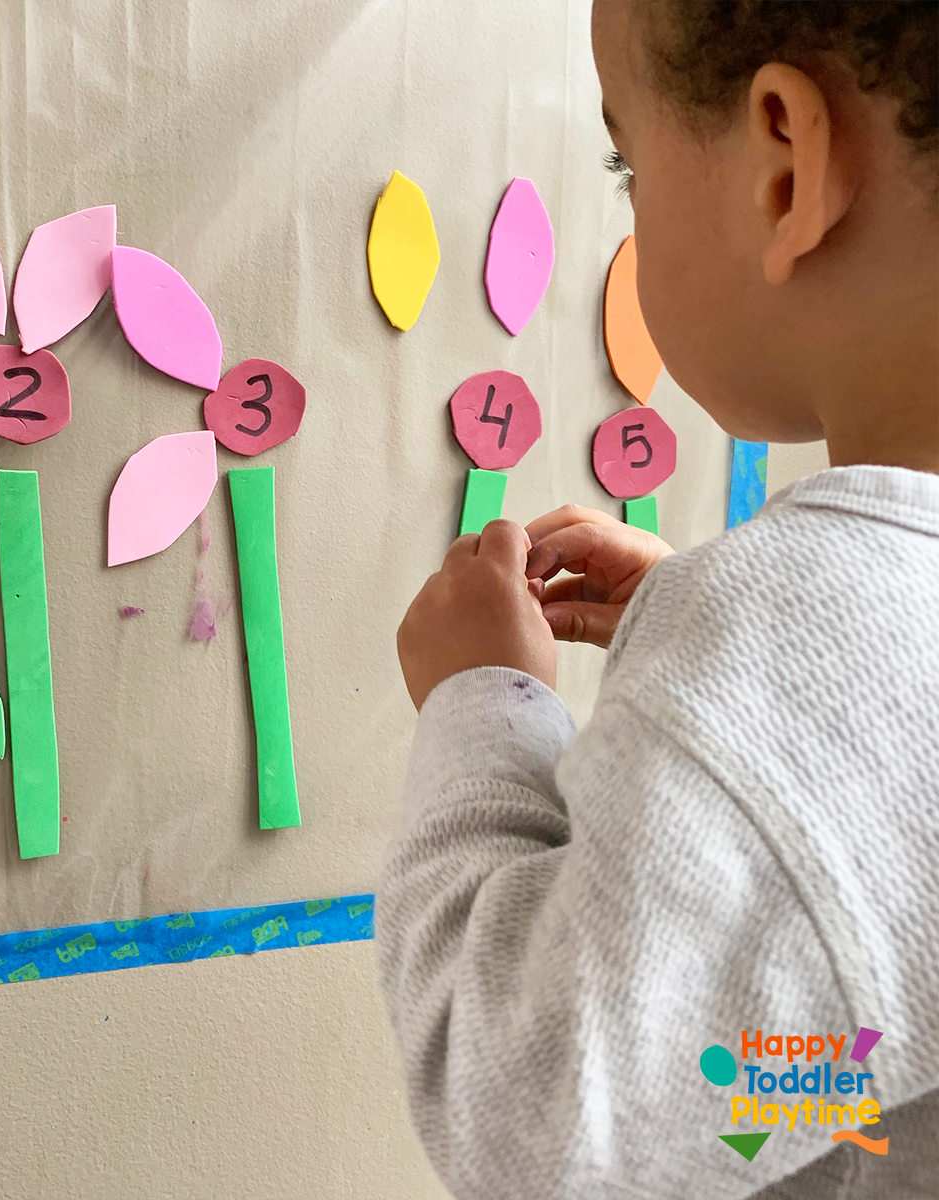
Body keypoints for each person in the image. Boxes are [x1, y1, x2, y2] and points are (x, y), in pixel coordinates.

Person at [377, 2, 939, 1197]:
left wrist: (484, 709)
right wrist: (730, 696)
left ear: (785, 165)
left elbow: (541, 1130)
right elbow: (873, 1055)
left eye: (625, 161)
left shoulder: (776, 640)